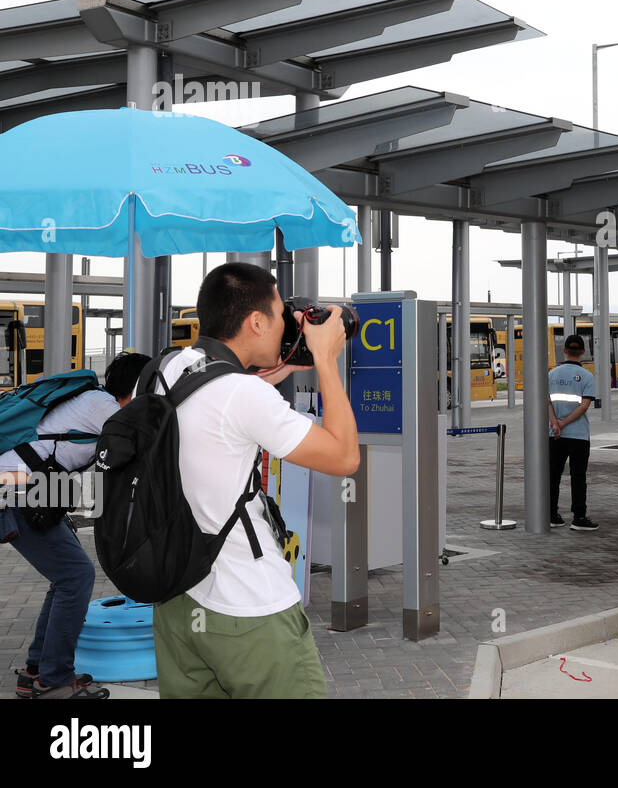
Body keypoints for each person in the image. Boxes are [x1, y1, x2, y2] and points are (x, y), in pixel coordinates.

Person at [148, 262, 359, 699]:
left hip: (178, 602)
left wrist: (282, 363)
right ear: (257, 321)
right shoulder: (245, 396)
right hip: (249, 610)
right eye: (281, 314)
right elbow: (343, 457)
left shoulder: (166, 369)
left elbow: (219, 397)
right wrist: (324, 359)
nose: (287, 323)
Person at [3, 351, 151, 699]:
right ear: (138, 386)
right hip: (17, 489)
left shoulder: (97, 403)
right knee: (76, 576)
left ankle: (38, 670)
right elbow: (145, 450)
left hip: (28, 489)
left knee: (67, 577)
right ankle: (53, 679)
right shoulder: (106, 408)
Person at [547, 334, 598, 531]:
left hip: (555, 435)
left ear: (565, 350)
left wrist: (555, 424)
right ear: (583, 352)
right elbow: (584, 406)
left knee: (553, 476)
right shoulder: (587, 376)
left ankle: (551, 514)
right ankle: (579, 517)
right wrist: (565, 422)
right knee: (578, 476)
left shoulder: (552, 374)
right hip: (578, 435)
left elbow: (548, 402)